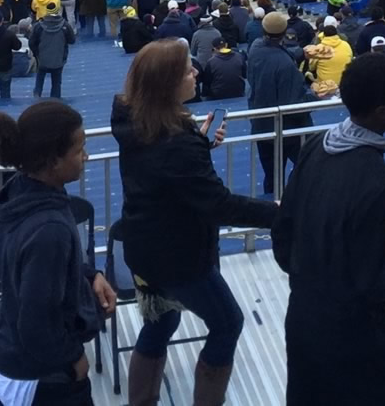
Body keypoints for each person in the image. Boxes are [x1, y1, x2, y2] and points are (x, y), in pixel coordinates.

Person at [111, 39, 279, 406]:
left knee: (161, 321)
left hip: (143, 246)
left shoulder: (134, 120)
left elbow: (164, 171)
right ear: (168, 84)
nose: (196, 74)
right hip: (179, 255)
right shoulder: (176, 145)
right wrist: (280, 213)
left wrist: (199, 143)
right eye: (188, 71)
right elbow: (218, 204)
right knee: (228, 322)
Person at [275, 52, 385, 406]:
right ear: (382, 111)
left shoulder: (315, 147)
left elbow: (283, 233)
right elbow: (376, 280)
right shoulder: (383, 185)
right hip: (354, 338)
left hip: (302, 320)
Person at [0, 102, 119, 405]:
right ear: (53, 160)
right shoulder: (49, 229)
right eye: (79, 149)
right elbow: (35, 325)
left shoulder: (22, 191)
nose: (86, 156)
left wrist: (89, 275)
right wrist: (74, 360)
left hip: (8, 351)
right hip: (39, 376)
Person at [246, 8, 310, 196]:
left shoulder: (256, 47)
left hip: (261, 125)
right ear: (284, 33)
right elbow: (294, 106)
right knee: (307, 167)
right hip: (288, 131)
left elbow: (277, 53)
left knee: (272, 178)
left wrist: (301, 53)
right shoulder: (286, 66)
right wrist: (316, 96)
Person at [24, 5, 76, 98]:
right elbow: (72, 40)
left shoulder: (38, 26)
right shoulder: (65, 25)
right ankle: (56, 100)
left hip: (42, 58)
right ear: (57, 11)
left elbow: (31, 42)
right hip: (59, 58)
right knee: (56, 82)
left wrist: (37, 53)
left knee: (40, 78)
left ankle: (37, 96)